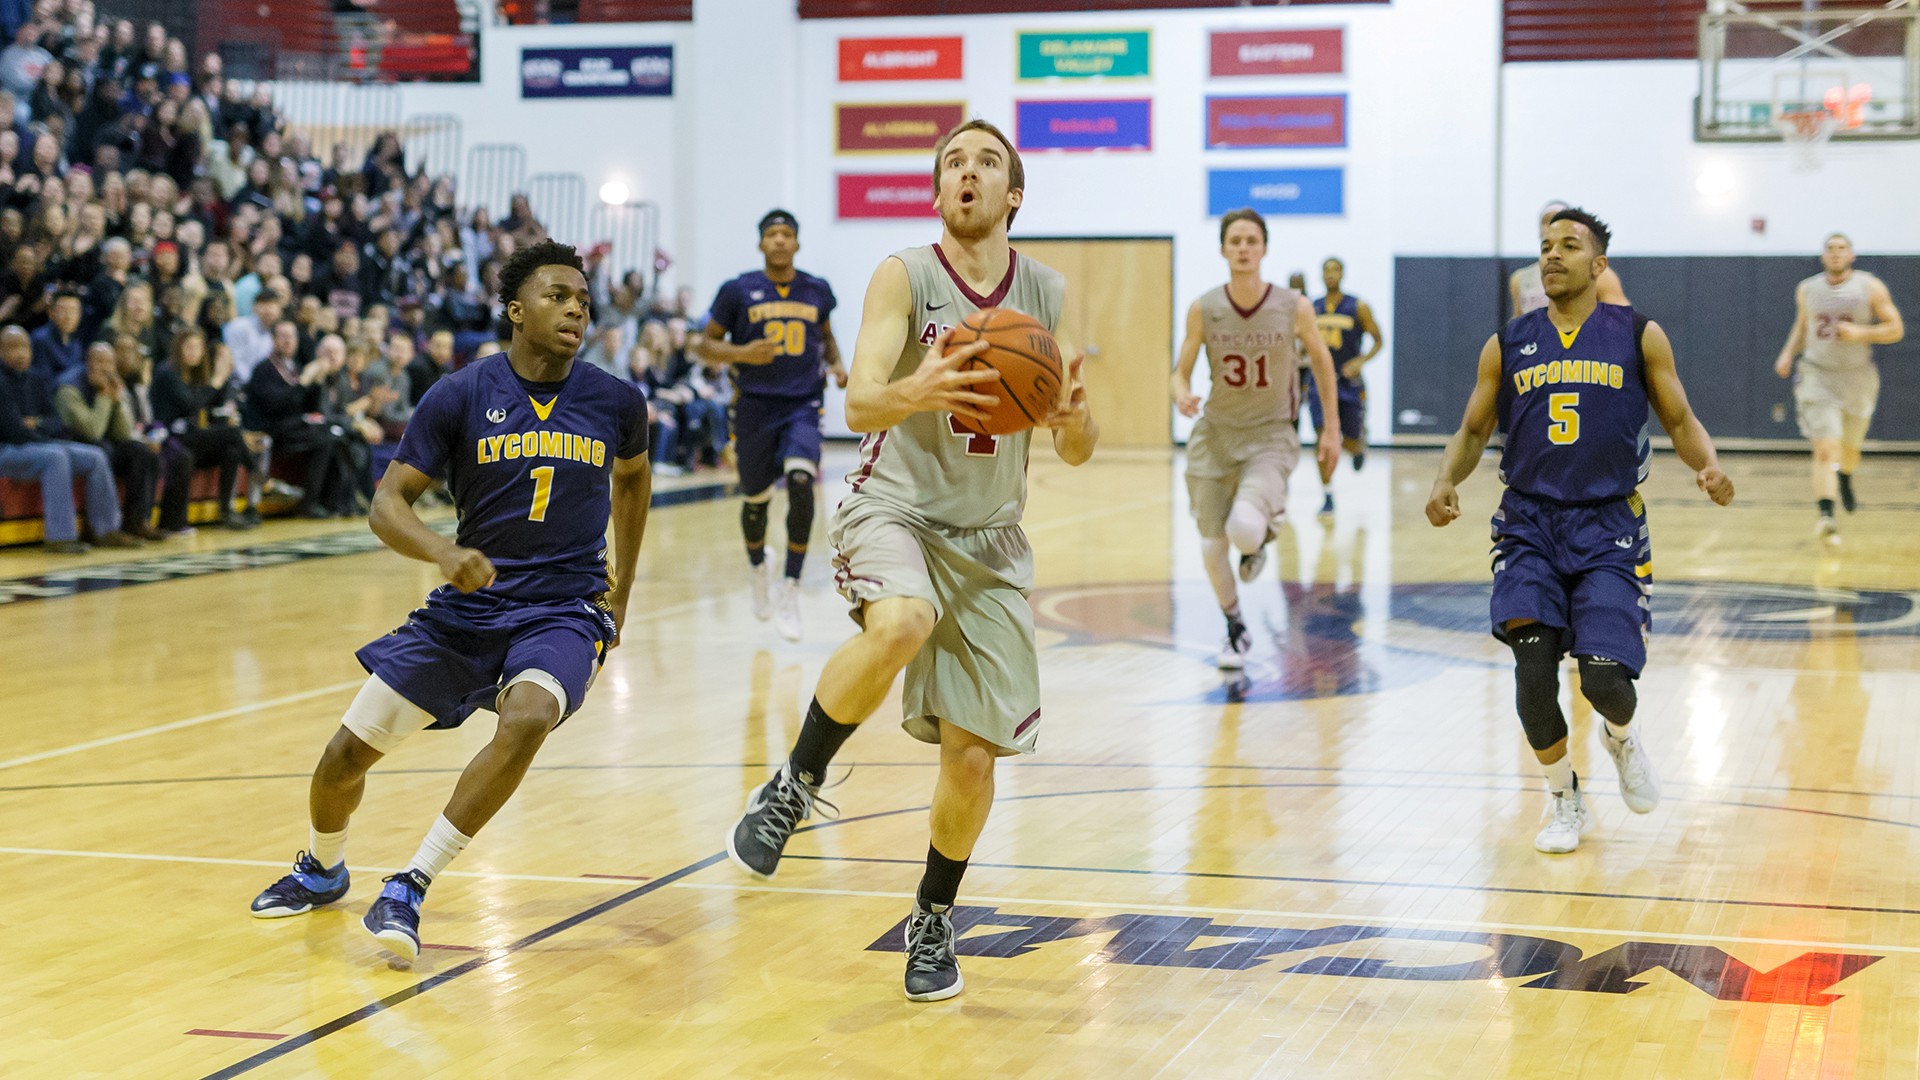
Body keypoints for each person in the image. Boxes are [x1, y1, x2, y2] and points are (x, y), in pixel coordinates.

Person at [724, 119, 1097, 1002]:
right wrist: (915, 390)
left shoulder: (1047, 291)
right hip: (894, 507)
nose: (967, 173)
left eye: (986, 163)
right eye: (952, 164)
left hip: (991, 538)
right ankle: (795, 781)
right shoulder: (905, 274)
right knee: (902, 620)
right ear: (938, 193)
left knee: (971, 761)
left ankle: (933, 916)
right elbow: (857, 399)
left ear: (1014, 195)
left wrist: (1070, 415)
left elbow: (1081, 447)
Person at [247, 241, 652, 962]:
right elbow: (386, 504)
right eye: (558, 296)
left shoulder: (617, 401)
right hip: (469, 609)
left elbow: (633, 481)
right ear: (515, 309)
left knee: (529, 716)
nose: (576, 310)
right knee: (343, 759)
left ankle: (410, 883)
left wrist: (624, 582)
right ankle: (322, 867)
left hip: (563, 608)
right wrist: (442, 552)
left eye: (583, 301)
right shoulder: (460, 393)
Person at [1425, 208, 1733, 854]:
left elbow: (1679, 419)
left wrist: (1706, 466)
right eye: (1544, 247)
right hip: (1530, 524)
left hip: (1609, 525)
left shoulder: (1639, 334)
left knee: (1603, 680)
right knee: (1532, 668)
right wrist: (1445, 479)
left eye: (1569, 246)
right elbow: (1475, 429)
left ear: (1598, 266)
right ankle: (1564, 796)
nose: (1552, 256)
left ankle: (1621, 740)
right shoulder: (1508, 342)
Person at [1170, 209, 1340, 668]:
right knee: (1211, 544)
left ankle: (1263, 532)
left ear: (1264, 248)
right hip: (1215, 436)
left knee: (1243, 527)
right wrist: (1182, 394)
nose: (1243, 248)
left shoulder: (1294, 306)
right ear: (1224, 249)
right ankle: (1235, 627)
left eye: (1251, 240)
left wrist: (1332, 429)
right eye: (1235, 241)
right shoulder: (1205, 307)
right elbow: (1179, 374)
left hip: (1270, 437)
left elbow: (1323, 363)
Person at [696, 210, 846, 640]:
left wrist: (836, 365)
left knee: (801, 482)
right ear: (760, 243)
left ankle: (791, 586)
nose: (780, 241)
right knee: (756, 500)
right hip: (754, 407)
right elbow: (702, 344)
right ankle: (759, 567)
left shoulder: (817, 290)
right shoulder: (737, 290)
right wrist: (742, 355)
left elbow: (827, 336)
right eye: (772, 235)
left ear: (797, 243)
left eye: (787, 235)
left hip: (802, 404)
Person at [1772, 233, 1905, 547]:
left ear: (1852, 255)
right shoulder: (1808, 288)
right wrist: (1788, 353)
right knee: (1825, 448)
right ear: (1823, 256)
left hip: (1857, 378)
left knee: (1849, 450)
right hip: (1817, 375)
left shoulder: (1870, 287)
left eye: (1841, 249)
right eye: (1830, 249)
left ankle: (1845, 475)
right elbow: (1803, 326)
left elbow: (1896, 329)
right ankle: (1826, 516)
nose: (1835, 254)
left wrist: (1861, 331)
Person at [0, 323, 139, 552]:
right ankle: (60, 537)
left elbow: (56, 422)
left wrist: (38, 424)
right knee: (56, 456)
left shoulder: (36, 379)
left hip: (36, 445)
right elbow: (13, 431)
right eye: (13, 348)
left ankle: (106, 530)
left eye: (25, 347)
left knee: (95, 456)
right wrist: (42, 432)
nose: (21, 353)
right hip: (7, 450)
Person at [152, 328, 259, 528]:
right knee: (232, 435)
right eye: (189, 347)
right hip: (168, 438)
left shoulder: (192, 375)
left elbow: (210, 405)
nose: (194, 352)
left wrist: (222, 382)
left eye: (198, 348)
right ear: (178, 349)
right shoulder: (168, 373)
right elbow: (192, 404)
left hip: (189, 437)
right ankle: (257, 474)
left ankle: (225, 511)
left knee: (232, 450)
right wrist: (217, 380)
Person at [1307, 255, 1384, 515]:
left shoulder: (1358, 306)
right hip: (1319, 381)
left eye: (1335, 270)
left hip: (1348, 382)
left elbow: (1378, 340)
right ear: (1321, 275)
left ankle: (1360, 444)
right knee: (1322, 437)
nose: (1331, 274)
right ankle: (1327, 496)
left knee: (1349, 441)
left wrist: (1361, 361)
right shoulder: (1311, 308)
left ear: (1343, 274)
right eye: (1326, 270)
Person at [1510, 199, 1627, 316]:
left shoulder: (1600, 274)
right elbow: (1517, 323)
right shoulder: (1520, 279)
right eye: (1546, 221)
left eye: (1570, 246)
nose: (1554, 225)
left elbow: (1622, 319)